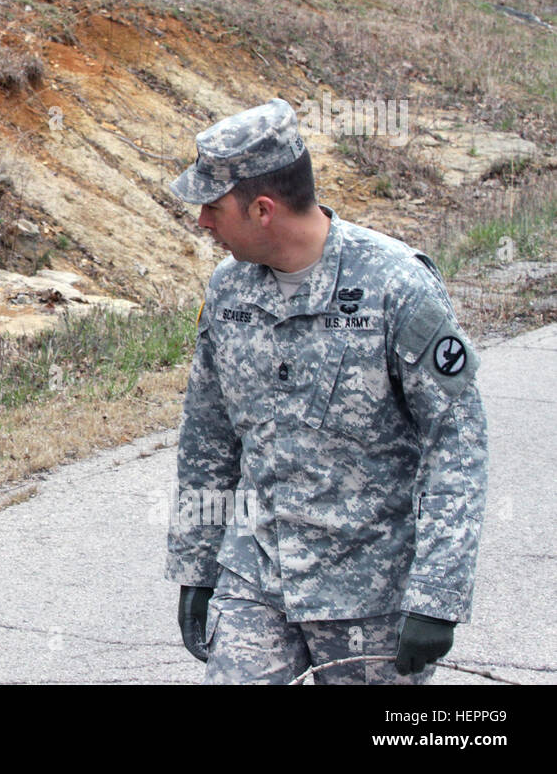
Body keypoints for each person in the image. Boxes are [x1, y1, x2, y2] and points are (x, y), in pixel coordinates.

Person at [165, 98, 487, 684]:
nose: (203, 223)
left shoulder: (397, 287)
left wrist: (437, 597)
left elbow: (457, 446)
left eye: (212, 208)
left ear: (262, 209)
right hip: (257, 575)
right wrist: (196, 564)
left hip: (372, 593)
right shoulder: (229, 289)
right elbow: (207, 437)